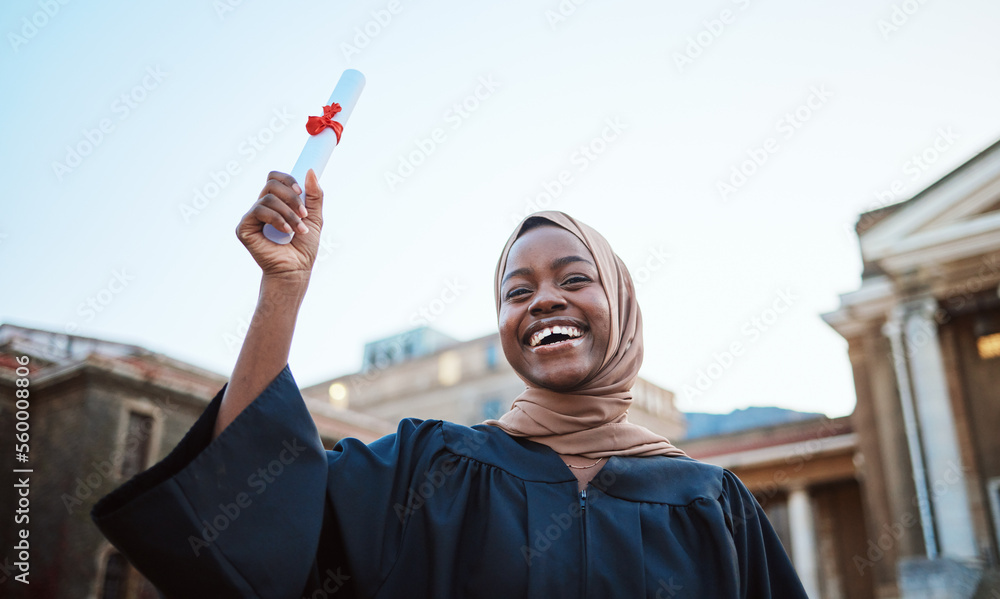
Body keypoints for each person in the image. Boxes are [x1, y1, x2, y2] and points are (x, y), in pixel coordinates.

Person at [92, 169, 809, 598]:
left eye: (574, 278)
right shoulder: (428, 468)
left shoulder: (712, 505)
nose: (543, 300)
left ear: (620, 306)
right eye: (517, 291)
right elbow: (253, 520)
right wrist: (282, 290)